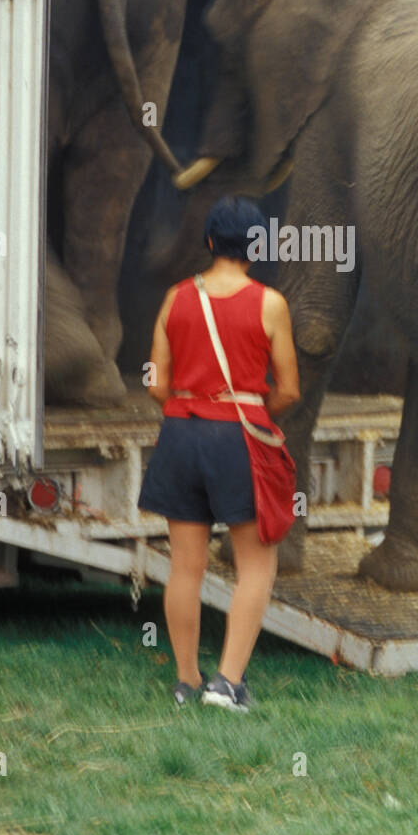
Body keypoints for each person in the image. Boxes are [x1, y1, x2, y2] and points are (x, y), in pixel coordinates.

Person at [139, 196, 300, 711]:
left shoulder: (175, 298)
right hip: (238, 438)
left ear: (209, 242)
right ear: (257, 246)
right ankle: (227, 684)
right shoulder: (269, 303)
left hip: (181, 436)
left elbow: (156, 383)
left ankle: (187, 681)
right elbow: (290, 390)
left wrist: (189, 405)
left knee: (186, 565)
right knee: (256, 566)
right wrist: (253, 411)